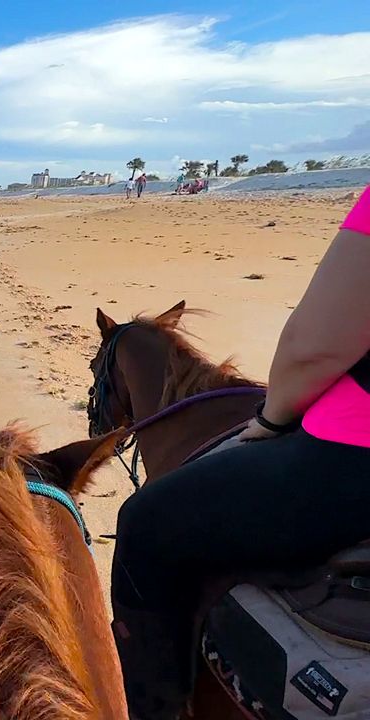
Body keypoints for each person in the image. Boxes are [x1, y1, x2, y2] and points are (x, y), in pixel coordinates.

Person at [110, 186, 370, 719]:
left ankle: (155, 709)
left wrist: (273, 418)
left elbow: (313, 348)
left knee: (144, 524)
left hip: (353, 454)